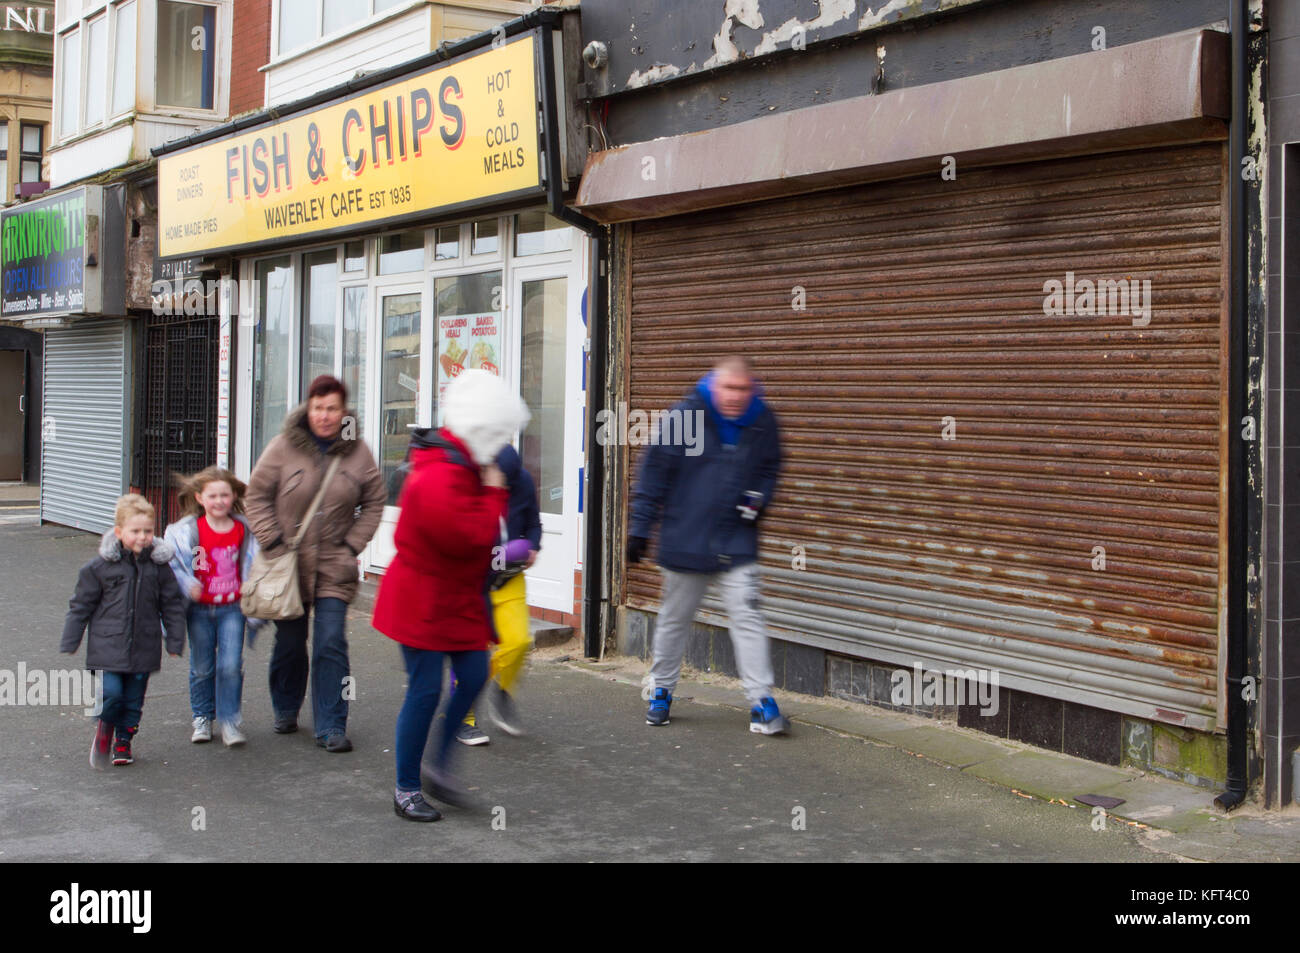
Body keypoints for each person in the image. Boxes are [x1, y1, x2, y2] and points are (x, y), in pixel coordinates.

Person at [373, 369, 528, 821]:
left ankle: (437, 766)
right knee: (424, 690)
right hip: (422, 600)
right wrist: (495, 494)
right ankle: (407, 788)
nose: (501, 444)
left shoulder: (463, 460)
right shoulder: (441, 472)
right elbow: (469, 537)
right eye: (497, 433)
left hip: (455, 597)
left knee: (475, 672)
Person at [626, 355, 790, 734]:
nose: (735, 396)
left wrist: (759, 497)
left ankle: (761, 701)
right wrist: (640, 528)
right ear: (714, 385)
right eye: (729, 388)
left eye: (743, 389)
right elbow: (654, 474)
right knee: (674, 620)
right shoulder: (686, 417)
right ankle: (662, 690)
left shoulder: (762, 421)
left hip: (737, 540)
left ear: (752, 388)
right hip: (687, 538)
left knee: (748, 617)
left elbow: (770, 467)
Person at [244, 375, 386, 752]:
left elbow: (375, 502)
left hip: (334, 565)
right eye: (318, 408)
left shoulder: (358, 452)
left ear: (344, 411)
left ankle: (332, 724)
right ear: (308, 408)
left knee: (331, 642)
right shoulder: (283, 446)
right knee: (290, 644)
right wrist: (272, 541)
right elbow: (255, 497)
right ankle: (285, 706)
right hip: (288, 563)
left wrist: (352, 544)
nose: (325, 415)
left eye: (332, 408)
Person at [61, 494, 187, 768]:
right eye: (135, 531)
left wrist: (175, 640)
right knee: (112, 694)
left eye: (148, 531)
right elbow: (81, 605)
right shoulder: (99, 568)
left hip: (144, 646)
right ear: (119, 532)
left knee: (133, 701)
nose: (142, 537)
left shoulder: (159, 568)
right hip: (108, 646)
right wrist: (71, 638)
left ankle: (123, 740)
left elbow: (172, 605)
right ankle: (105, 726)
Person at [163, 467, 264, 747]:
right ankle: (202, 717)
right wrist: (188, 584)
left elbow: (257, 562)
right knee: (202, 667)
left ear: (234, 497)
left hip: (233, 609)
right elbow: (174, 565)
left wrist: (250, 584)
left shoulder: (244, 530)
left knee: (230, 665)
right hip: (199, 611)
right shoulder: (188, 532)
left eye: (224, 495)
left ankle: (230, 720)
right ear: (199, 498)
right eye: (212, 496)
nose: (219, 501)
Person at [455, 444, 541, 746]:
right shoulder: (468, 484)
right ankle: (463, 717)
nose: (503, 488)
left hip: (510, 578)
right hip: (474, 581)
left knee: (519, 642)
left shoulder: (522, 481)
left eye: (508, 482)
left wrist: (533, 546)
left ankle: (501, 691)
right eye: (500, 480)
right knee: (470, 652)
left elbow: (534, 523)